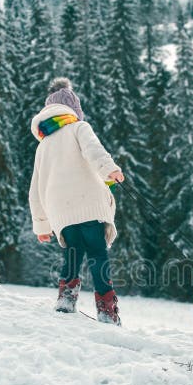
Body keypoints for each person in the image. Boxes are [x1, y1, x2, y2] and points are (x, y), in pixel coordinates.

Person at [28, 78, 124, 325]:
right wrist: (109, 170)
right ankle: (106, 310)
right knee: (97, 254)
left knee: (72, 253)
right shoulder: (79, 128)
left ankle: (66, 299)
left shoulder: (44, 145)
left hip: (62, 214)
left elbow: (36, 188)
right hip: (88, 206)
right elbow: (94, 150)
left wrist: (41, 225)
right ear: (73, 109)